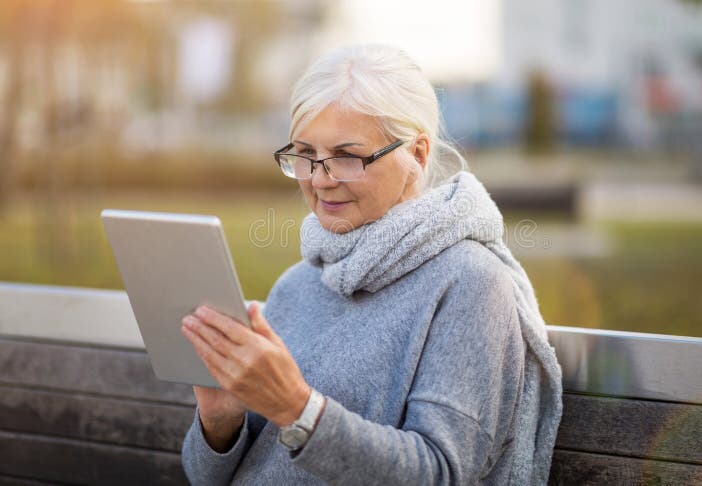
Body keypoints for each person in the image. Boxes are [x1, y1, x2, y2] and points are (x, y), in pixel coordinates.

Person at [180, 44, 563, 485]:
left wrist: (298, 410)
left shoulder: (470, 283)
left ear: (417, 154)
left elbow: (441, 473)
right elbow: (203, 477)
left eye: (347, 156)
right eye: (305, 154)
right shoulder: (299, 284)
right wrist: (220, 421)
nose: (320, 178)